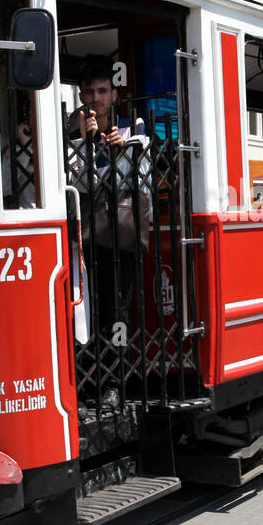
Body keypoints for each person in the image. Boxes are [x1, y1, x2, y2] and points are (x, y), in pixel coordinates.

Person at [67, 57, 151, 349]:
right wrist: (84, 142)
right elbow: (81, 185)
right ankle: (90, 370)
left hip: (120, 232)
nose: (96, 99)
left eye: (102, 91)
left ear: (114, 95)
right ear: (81, 97)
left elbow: (142, 182)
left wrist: (121, 152)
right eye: (89, 93)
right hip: (86, 234)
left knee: (117, 306)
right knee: (86, 305)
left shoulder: (133, 128)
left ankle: (116, 376)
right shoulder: (71, 134)